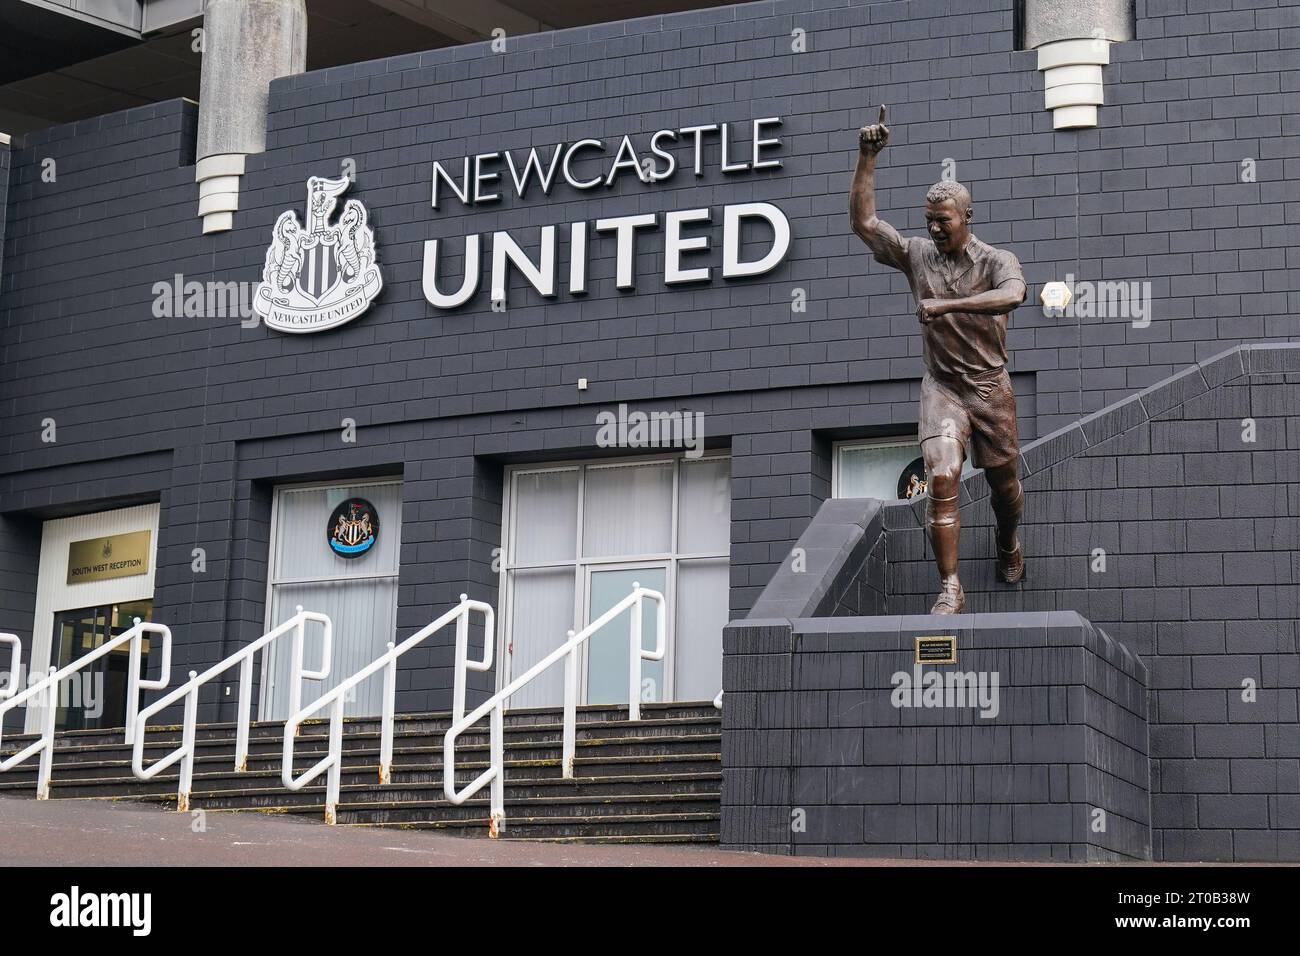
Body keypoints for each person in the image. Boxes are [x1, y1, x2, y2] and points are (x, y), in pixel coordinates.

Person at [849, 105, 1028, 614]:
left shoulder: (997, 261)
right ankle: (950, 586)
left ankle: (1009, 538)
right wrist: (868, 157)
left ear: (966, 219)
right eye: (929, 221)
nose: (934, 229)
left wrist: (947, 305)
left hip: (991, 388)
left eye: (943, 221)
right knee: (944, 475)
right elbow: (864, 222)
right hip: (944, 386)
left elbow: (1014, 295)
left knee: (1005, 487)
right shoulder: (916, 254)